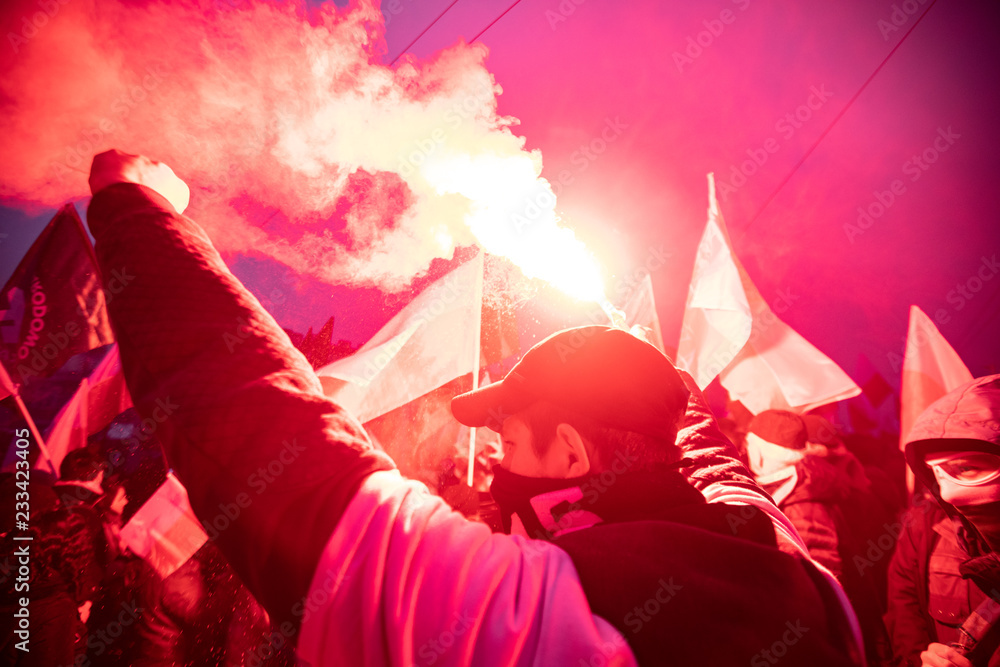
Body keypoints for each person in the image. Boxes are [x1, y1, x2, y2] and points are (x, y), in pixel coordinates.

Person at [84, 149, 864, 665]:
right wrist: (642, 371)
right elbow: (701, 451)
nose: (493, 461)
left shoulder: (559, 612)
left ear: (571, 453)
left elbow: (273, 451)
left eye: (509, 438)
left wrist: (136, 207)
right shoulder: (782, 556)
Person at [886, 374, 1000, 667]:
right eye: (936, 472)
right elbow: (905, 617)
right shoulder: (925, 528)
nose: (948, 493)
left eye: (967, 468)